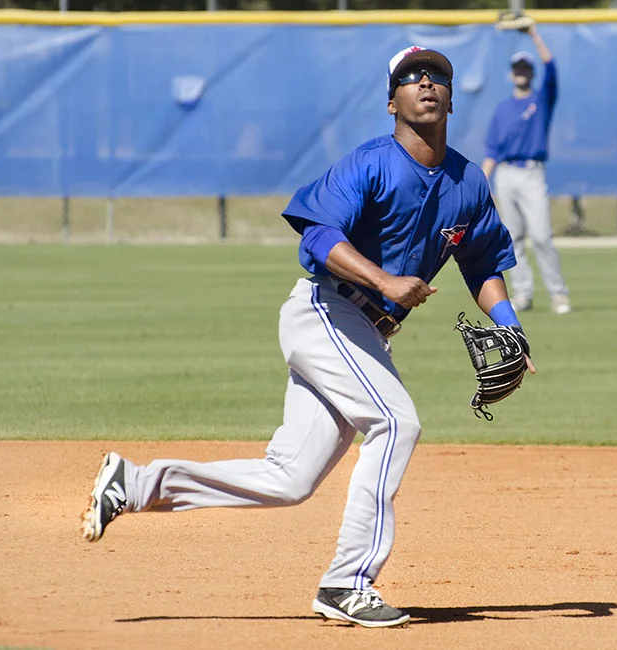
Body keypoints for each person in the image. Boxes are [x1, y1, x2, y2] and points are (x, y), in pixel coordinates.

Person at [80, 45, 534, 629]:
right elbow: (317, 236)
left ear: (451, 96)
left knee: (289, 478)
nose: (426, 83)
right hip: (326, 311)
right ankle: (349, 581)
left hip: (365, 331)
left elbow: (482, 262)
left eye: (438, 76)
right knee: (396, 422)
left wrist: (512, 329)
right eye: (410, 77)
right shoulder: (370, 163)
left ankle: (135, 484)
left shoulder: (468, 181)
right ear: (390, 100)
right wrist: (383, 279)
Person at [482, 23, 571, 315]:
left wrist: (534, 33)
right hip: (506, 175)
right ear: (511, 73)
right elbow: (492, 151)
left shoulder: (541, 100)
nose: (521, 72)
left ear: (531, 72)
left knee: (542, 235)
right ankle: (523, 294)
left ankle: (558, 294)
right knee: (514, 238)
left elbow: (552, 69)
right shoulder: (502, 109)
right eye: (517, 68)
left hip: (532, 173)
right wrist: (482, 183)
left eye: (525, 68)